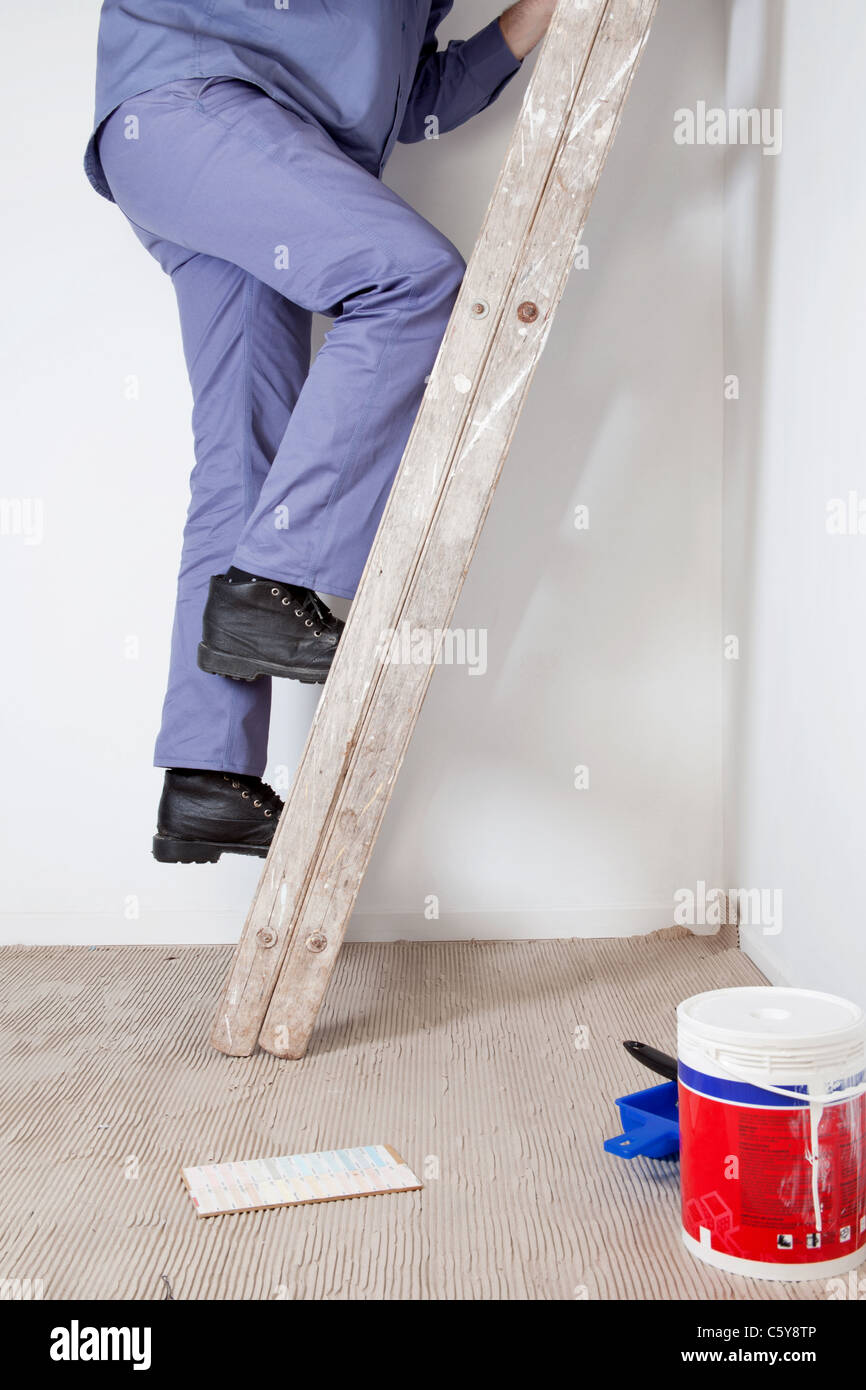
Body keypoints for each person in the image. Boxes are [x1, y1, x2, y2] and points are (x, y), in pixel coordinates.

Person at [85, 1, 555, 864]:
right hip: (193, 108)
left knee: (242, 458)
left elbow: (414, 101)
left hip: (260, 158)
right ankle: (271, 585)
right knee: (414, 281)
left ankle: (204, 774)